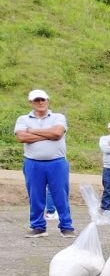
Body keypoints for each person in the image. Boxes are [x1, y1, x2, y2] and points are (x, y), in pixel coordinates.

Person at [15, 89, 74, 237]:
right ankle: (38, 227)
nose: (40, 103)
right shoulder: (23, 119)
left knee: (61, 195)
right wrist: (48, 135)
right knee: (35, 196)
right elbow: (22, 137)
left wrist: (32, 131)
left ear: (48, 100)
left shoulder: (58, 117)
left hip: (57, 162)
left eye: (43, 100)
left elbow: (57, 133)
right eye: (36, 100)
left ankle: (66, 227)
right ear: (31, 102)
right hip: (33, 163)